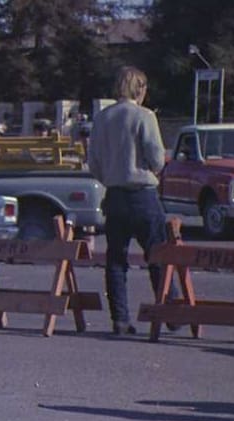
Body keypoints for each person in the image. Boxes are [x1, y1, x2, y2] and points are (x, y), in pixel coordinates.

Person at [88, 65, 176, 336]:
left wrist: (110, 177)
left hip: (114, 194)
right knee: (158, 255)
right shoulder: (144, 116)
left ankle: (121, 319)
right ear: (140, 89)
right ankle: (169, 312)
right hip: (142, 194)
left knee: (116, 260)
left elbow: (93, 163)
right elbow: (157, 159)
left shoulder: (102, 118)